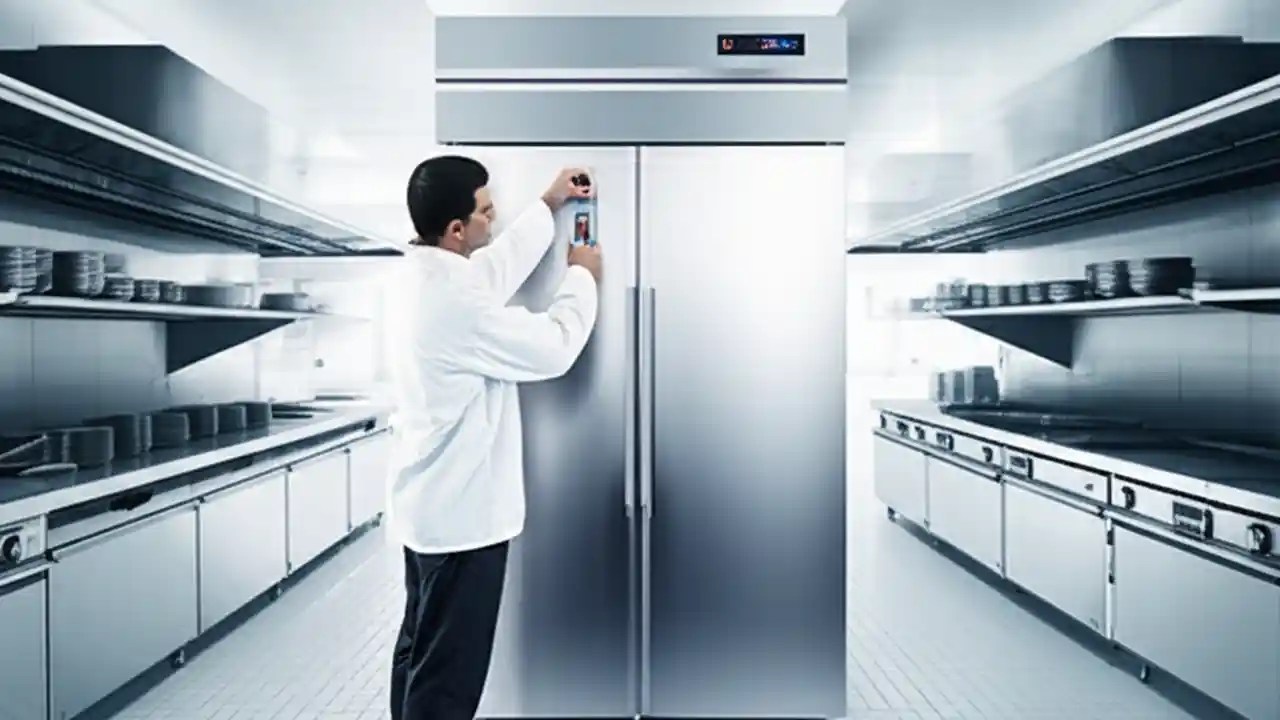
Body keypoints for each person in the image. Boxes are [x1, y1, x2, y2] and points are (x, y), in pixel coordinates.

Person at [382, 156, 603, 720]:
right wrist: (582, 275)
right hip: (463, 522)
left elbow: (493, 268)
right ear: (457, 229)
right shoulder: (456, 304)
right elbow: (554, 347)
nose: (494, 217)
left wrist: (548, 206)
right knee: (447, 681)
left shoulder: (423, 274)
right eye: (486, 210)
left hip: (427, 512)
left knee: (418, 654)